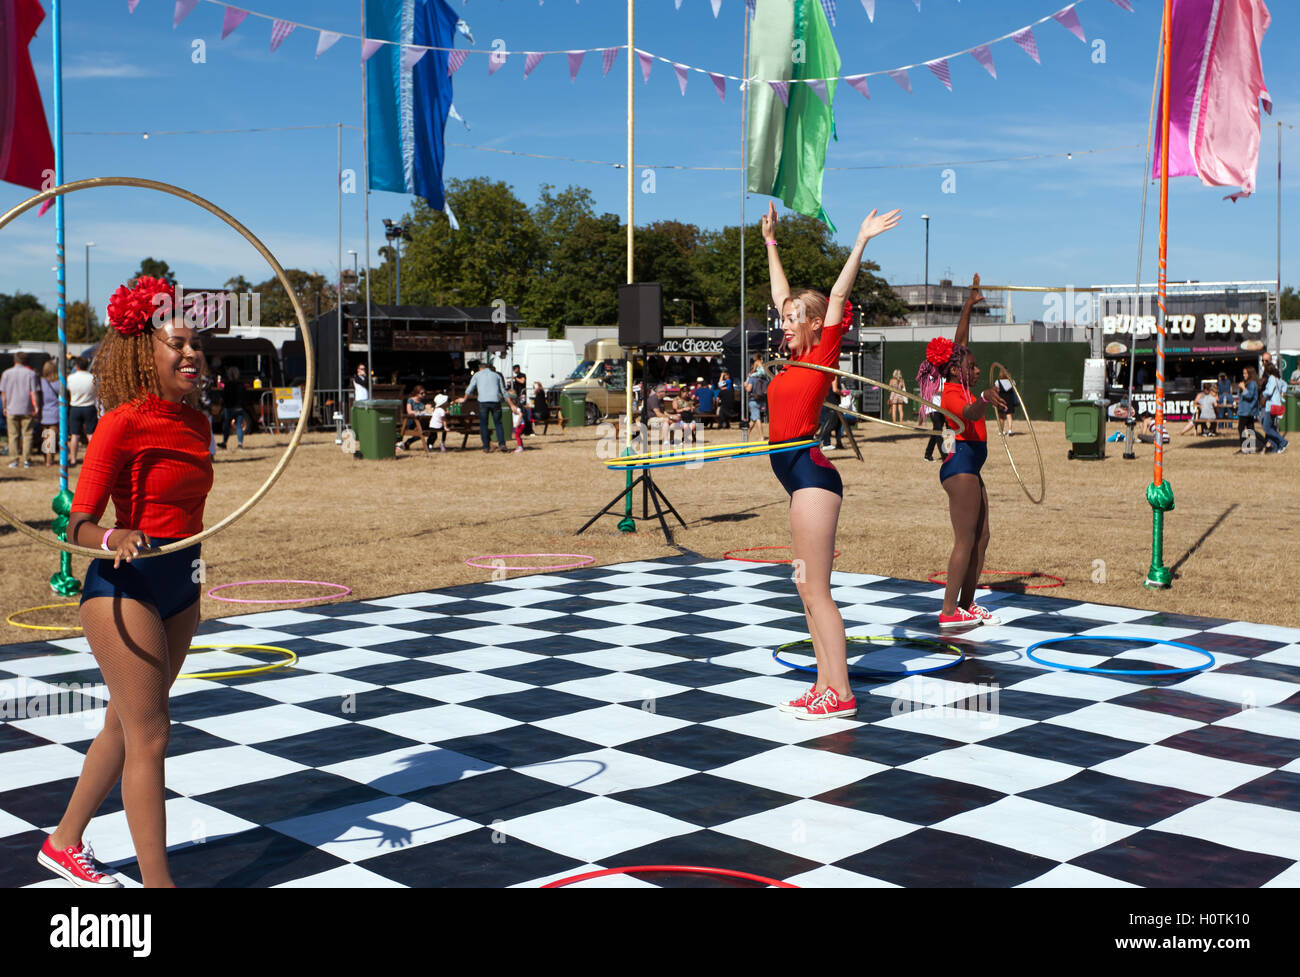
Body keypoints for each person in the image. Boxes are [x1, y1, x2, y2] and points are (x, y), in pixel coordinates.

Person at [38, 275, 214, 889]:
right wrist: (117, 538)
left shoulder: (198, 422)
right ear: (146, 352)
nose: (191, 353)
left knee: (122, 723)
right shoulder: (121, 423)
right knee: (152, 732)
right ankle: (159, 886)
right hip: (123, 587)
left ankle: (63, 843)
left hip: (183, 584)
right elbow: (79, 522)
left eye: (195, 344)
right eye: (176, 344)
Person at [762, 199, 901, 719]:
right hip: (795, 476)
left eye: (795, 317)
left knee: (815, 588)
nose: (785, 319)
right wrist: (771, 242)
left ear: (816, 324)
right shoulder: (793, 356)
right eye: (785, 317)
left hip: (812, 477)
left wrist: (860, 241)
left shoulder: (821, 351)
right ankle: (824, 685)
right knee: (803, 587)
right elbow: (782, 294)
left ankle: (839, 693)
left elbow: (839, 294)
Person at [917, 273, 1006, 630]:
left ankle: (967, 604)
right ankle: (950, 610)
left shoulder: (960, 377)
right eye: (972, 366)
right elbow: (968, 415)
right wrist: (984, 398)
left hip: (971, 467)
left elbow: (961, 343)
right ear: (956, 369)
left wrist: (969, 305)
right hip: (960, 467)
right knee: (965, 539)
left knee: (982, 536)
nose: (978, 368)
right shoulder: (954, 392)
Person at [456, 360, 510, 452]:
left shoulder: (477, 375)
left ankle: (486, 447)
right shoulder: (496, 375)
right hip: (495, 401)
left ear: (480, 368)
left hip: (483, 402)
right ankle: (502, 445)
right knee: (498, 423)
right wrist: (511, 404)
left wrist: (464, 399)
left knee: (484, 424)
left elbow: (470, 388)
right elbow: (503, 391)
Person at [1, 350, 39, 468]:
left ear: (14, 360)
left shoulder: (6, 373)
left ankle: (14, 460)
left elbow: (3, 393)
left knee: (13, 435)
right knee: (27, 435)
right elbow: (34, 392)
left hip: (11, 408)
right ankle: (26, 459)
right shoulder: (30, 374)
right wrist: (36, 406)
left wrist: (4, 406)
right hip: (26, 408)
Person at [67, 356, 97, 466]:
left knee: (75, 435)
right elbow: (96, 391)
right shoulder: (92, 377)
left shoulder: (70, 378)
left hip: (75, 407)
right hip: (89, 406)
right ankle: (94, 459)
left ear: (76, 366)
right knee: (91, 434)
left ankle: (73, 459)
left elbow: (68, 390)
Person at [1260, 363, 1289, 454]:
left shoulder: (1271, 379)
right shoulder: (1278, 379)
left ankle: (1283, 442)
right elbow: (1285, 385)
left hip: (1271, 406)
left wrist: (1263, 394)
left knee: (1266, 427)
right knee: (1271, 426)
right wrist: (1282, 393)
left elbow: (1269, 391)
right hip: (1276, 405)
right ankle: (1276, 447)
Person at [38, 359, 60, 466]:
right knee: (51, 437)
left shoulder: (40, 382)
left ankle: (47, 459)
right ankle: (49, 460)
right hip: (55, 412)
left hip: (43, 413)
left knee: (45, 436)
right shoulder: (59, 383)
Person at [218, 367, 247, 449]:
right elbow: (245, 397)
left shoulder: (227, 386)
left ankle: (224, 442)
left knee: (227, 426)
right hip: (239, 408)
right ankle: (240, 444)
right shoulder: (241, 385)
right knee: (238, 426)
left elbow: (223, 397)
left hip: (229, 408)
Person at [399, 385, 429, 452]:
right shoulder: (410, 400)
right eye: (422, 393)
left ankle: (408, 442)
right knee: (401, 432)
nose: (424, 395)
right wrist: (419, 412)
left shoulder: (424, 401)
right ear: (416, 393)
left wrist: (428, 408)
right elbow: (409, 411)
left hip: (421, 421)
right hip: (411, 421)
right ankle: (398, 443)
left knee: (422, 433)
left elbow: (427, 410)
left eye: (424, 393)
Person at [745, 356, 769, 439]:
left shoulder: (752, 378)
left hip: (753, 400)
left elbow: (749, 389)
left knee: (757, 418)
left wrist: (745, 385)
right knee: (753, 419)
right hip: (761, 399)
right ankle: (747, 434)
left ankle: (761, 436)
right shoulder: (763, 378)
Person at [1237, 367, 1260, 448]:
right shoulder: (1249, 383)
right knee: (1250, 429)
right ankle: (1253, 447)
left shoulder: (1252, 383)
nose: (1244, 375)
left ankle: (1245, 448)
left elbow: (1249, 396)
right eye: (1243, 373)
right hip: (1246, 409)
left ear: (1250, 374)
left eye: (1245, 373)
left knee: (1241, 428)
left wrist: (1243, 388)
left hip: (1247, 410)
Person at [922, 386, 945, 462]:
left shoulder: (946, 376)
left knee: (936, 431)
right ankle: (945, 456)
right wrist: (944, 390)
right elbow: (929, 389)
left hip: (944, 407)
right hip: (933, 407)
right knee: (938, 431)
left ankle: (928, 454)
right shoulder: (932, 375)